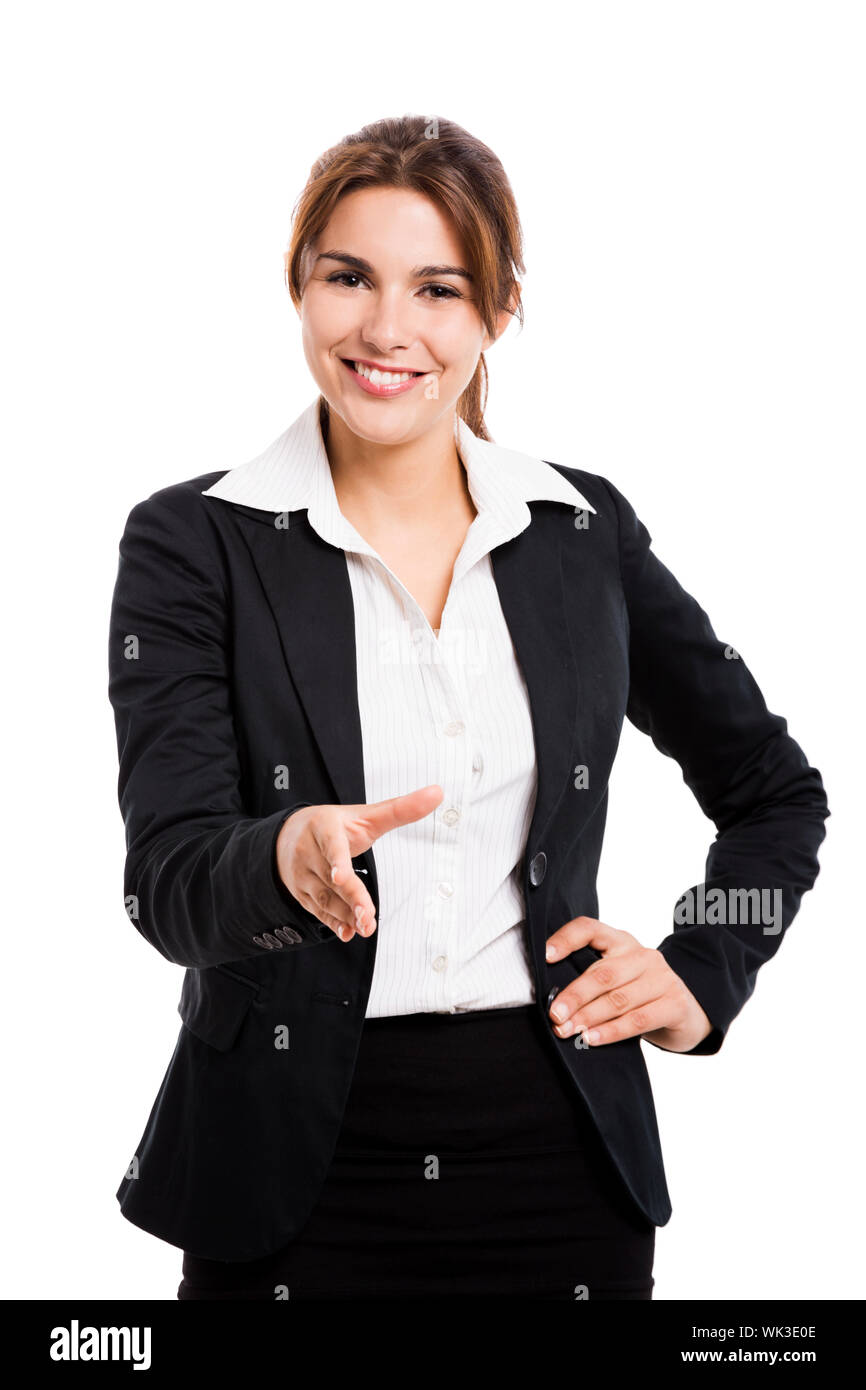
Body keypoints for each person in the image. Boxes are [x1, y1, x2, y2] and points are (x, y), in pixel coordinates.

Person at [107, 114, 830, 1301]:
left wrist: (707, 963)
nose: (386, 329)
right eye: (349, 276)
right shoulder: (194, 542)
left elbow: (774, 795)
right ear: (299, 286)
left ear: (496, 315)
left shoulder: (580, 534)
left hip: (558, 1162)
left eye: (437, 289)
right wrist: (280, 856)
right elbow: (166, 882)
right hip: (284, 1163)